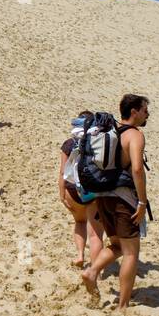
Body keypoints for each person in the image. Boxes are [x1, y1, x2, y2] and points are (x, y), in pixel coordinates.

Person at [81, 95, 151, 310]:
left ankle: (91, 271)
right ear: (134, 111)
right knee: (131, 253)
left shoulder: (109, 132)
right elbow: (137, 169)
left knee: (117, 245)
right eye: (145, 110)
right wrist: (141, 202)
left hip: (103, 197)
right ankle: (123, 305)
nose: (148, 114)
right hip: (124, 198)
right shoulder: (134, 135)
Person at [59, 113, 104, 268]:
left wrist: (62, 194)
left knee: (79, 221)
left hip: (73, 189)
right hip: (93, 190)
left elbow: (62, 172)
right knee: (95, 233)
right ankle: (95, 268)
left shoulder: (69, 143)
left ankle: (79, 255)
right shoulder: (98, 141)